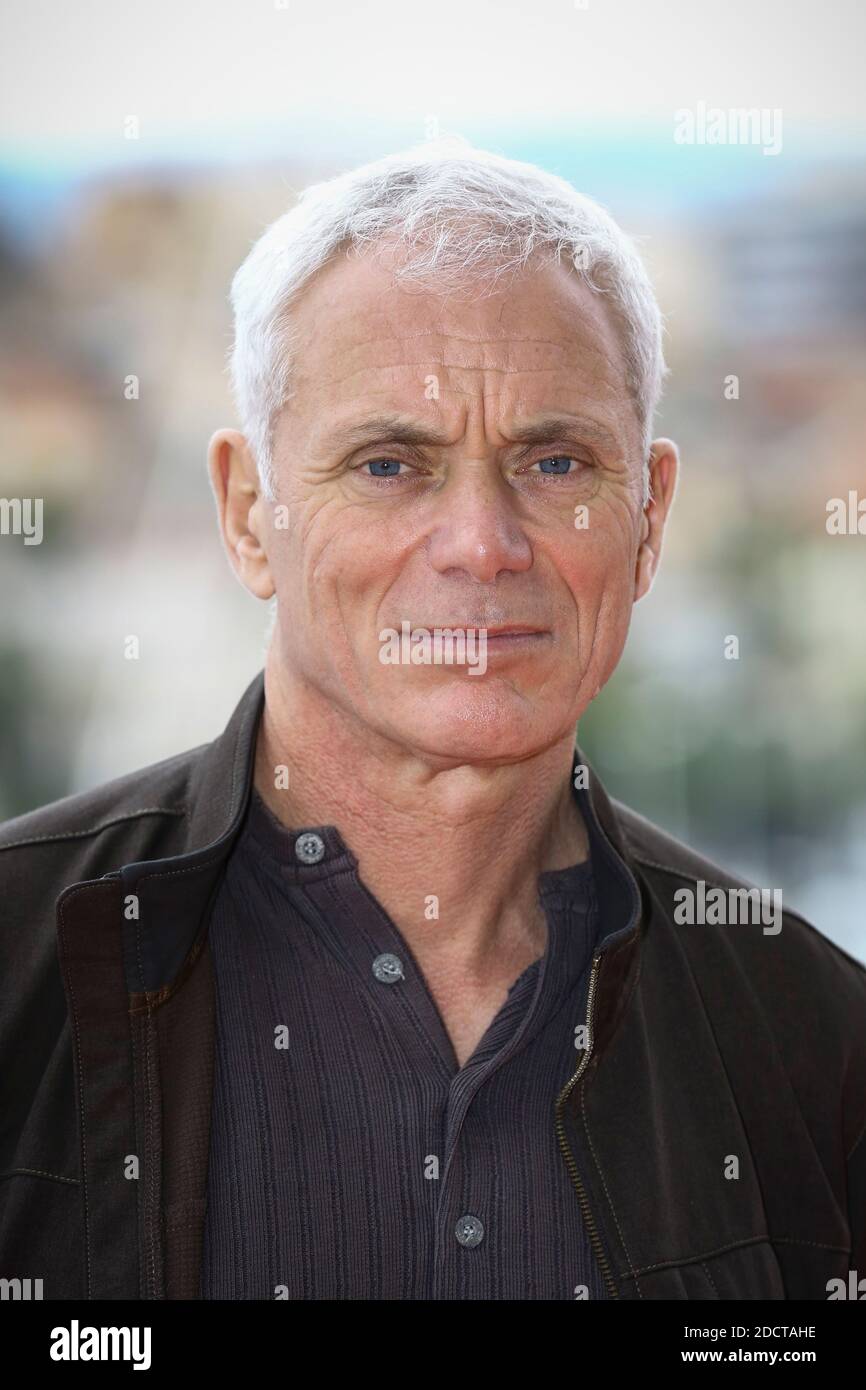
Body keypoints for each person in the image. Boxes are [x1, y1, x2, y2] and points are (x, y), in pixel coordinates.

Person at [1, 140, 864, 1301]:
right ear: (249, 513)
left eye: (553, 461)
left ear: (648, 516)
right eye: (389, 465)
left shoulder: (815, 1040)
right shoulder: (22, 968)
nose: (481, 544)